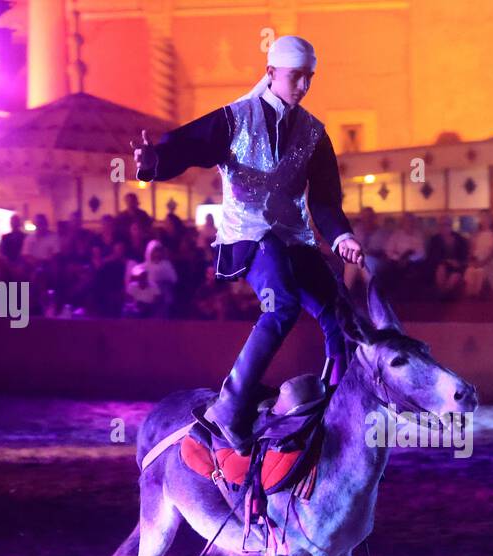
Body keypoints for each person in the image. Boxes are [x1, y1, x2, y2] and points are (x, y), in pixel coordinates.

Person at [134, 35, 363, 451]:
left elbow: (326, 201)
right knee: (283, 304)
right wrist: (154, 162)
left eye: (310, 77)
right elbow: (185, 146)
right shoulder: (234, 119)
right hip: (250, 234)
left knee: (341, 314)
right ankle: (231, 405)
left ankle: (337, 405)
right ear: (272, 73)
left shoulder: (315, 133)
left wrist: (342, 236)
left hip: (295, 237)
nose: (304, 85)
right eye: (297, 76)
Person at [426, 215, 470, 299]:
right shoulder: (434, 239)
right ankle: (443, 293)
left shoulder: (459, 239)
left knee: (454, 276)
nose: (444, 227)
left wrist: (458, 263)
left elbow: (464, 256)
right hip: (440, 265)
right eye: (442, 225)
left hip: (457, 266)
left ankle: (444, 293)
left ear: (451, 225)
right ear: (438, 226)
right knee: (441, 269)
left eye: (447, 224)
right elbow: (432, 256)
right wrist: (447, 261)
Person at [464, 211, 493, 299]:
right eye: (482, 218)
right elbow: (472, 250)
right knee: (470, 270)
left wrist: (483, 262)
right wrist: (473, 261)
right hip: (477, 261)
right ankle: (472, 293)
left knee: (481, 271)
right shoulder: (476, 233)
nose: (484, 220)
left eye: (486, 217)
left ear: (491, 219)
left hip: (489, 262)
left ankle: (480, 291)